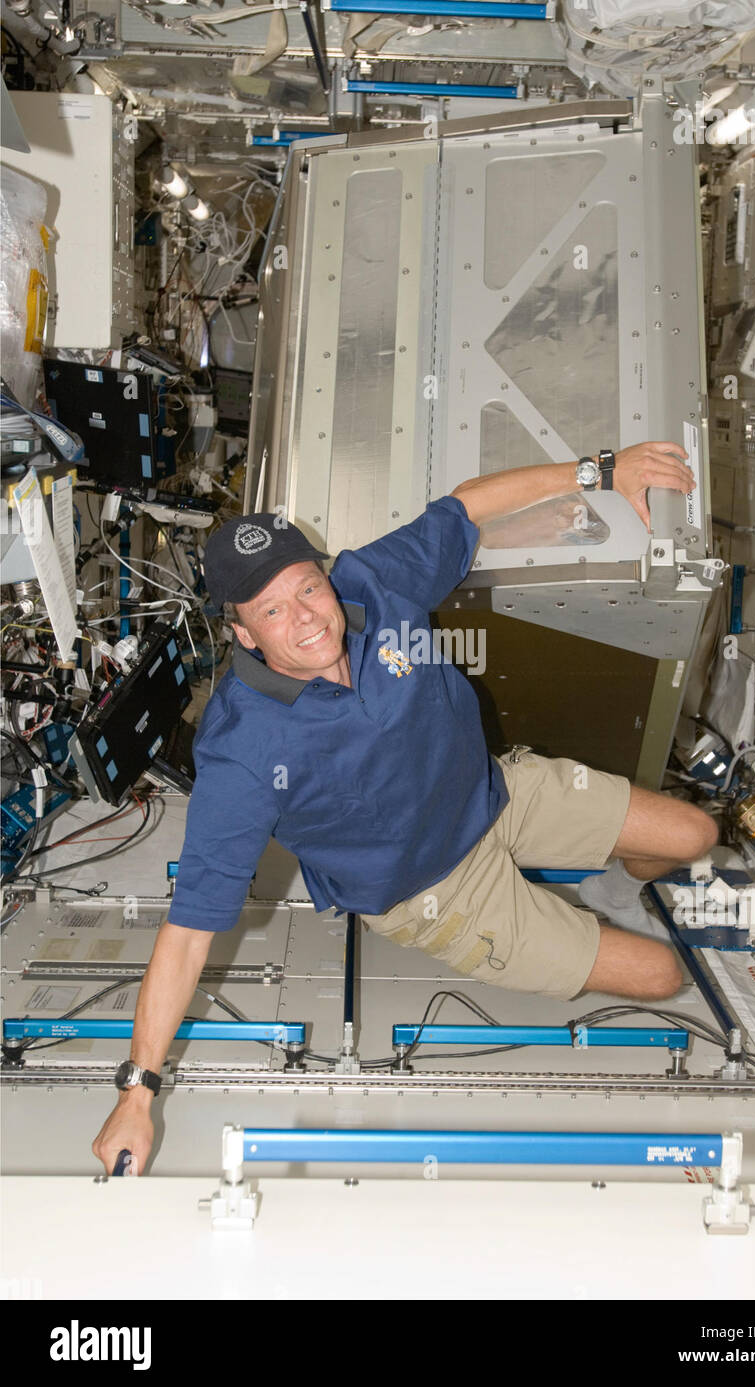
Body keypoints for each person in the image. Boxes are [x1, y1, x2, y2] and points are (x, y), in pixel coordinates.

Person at [92, 441, 717, 1175]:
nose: (305, 619)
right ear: (240, 633)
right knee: (662, 976)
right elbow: (190, 929)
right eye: (270, 610)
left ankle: (608, 887)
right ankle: (565, 921)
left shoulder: (371, 584)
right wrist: (138, 1090)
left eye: (307, 589)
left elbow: (464, 507)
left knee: (695, 832)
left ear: (327, 577)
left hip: (492, 794)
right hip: (434, 893)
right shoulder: (240, 750)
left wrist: (600, 473)